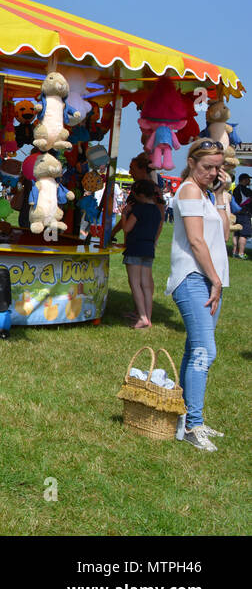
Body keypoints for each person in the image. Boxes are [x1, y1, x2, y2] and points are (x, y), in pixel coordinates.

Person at [167, 140, 230, 452]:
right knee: (206, 352)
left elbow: (225, 234)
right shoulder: (189, 190)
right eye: (207, 167)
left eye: (217, 167)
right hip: (194, 278)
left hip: (208, 279)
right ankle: (193, 424)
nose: (213, 172)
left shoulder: (206, 193)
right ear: (192, 163)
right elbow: (195, 240)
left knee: (195, 350)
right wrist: (215, 280)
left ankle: (182, 416)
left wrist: (219, 195)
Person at [120, 179, 163, 328]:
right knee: (145, 284)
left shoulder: (139, 209)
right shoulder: (157, 210)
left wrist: (124, 215)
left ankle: (142, 317)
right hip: (148, 249)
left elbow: (126, 228)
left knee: (135, 283)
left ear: (141, 195)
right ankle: (148, 317)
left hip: (135, 248)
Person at [231, 174, 252, 259]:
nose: (249, 181)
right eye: (248, 179)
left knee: (236, 233)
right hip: (245, 213)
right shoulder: (246, 190)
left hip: (237, 213)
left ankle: (234, 251)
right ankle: (241, 253)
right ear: (243, 180)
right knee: (244, 234)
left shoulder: (236, 189)